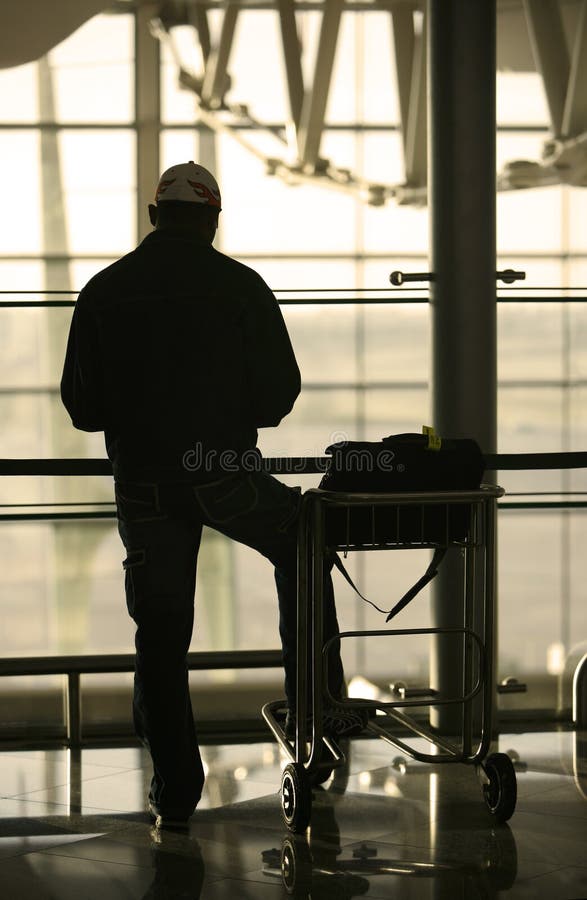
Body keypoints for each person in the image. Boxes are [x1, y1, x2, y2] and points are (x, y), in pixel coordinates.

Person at [60, 161, 365, 830]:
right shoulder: (240, 287)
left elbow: (82, 408)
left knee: (161, 634)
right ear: (213, 220)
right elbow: (279, 393)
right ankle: (315, 724)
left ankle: (174, 792)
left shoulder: (104, 291)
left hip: (144, 483)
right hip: (223, 472)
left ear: (153, 217)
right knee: (303, 543)